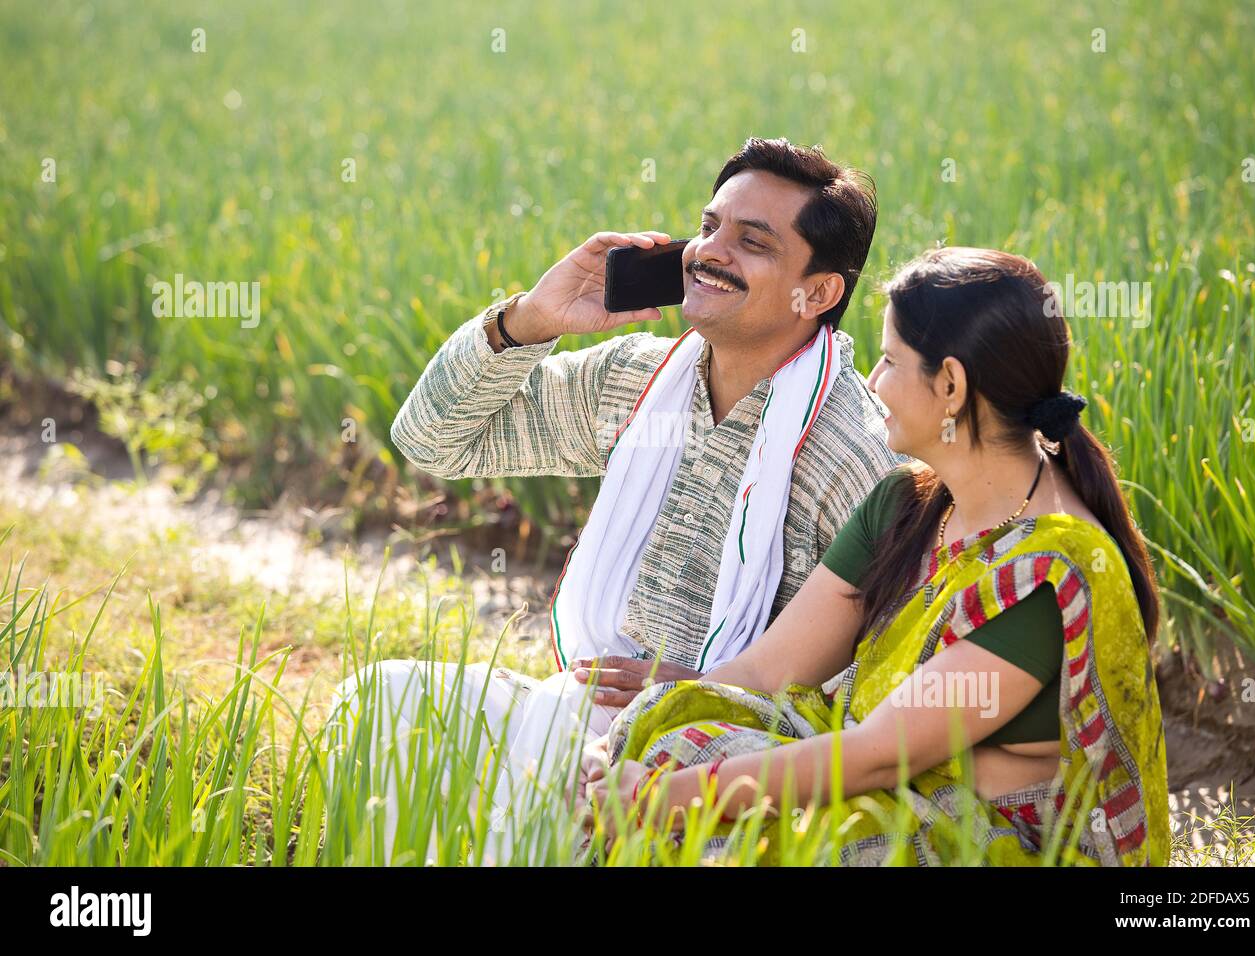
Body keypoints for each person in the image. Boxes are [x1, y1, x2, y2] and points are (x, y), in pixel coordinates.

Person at [329, 137, 906, 862]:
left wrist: (709, 694)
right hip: (587, 711)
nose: (708, 252)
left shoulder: (856, 451)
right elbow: (434, 439)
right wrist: (529, 320)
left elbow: (895, 679)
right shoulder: (637, 381)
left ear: (819, 292)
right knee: (379, 702)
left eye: (751, 242)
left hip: (727, 757)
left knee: (557, 783)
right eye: (707, 227)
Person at [582, 246, 1171, 867]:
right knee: (677, 738)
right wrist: (629, 739)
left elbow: (879, 753)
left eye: (890, 360)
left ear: (950, 384)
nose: (872, 383)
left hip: (978, 843)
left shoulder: (1045, 575)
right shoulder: (907, 508)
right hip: (889, 788)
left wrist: (665, 796)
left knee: (740, 831)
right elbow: (766, 675)